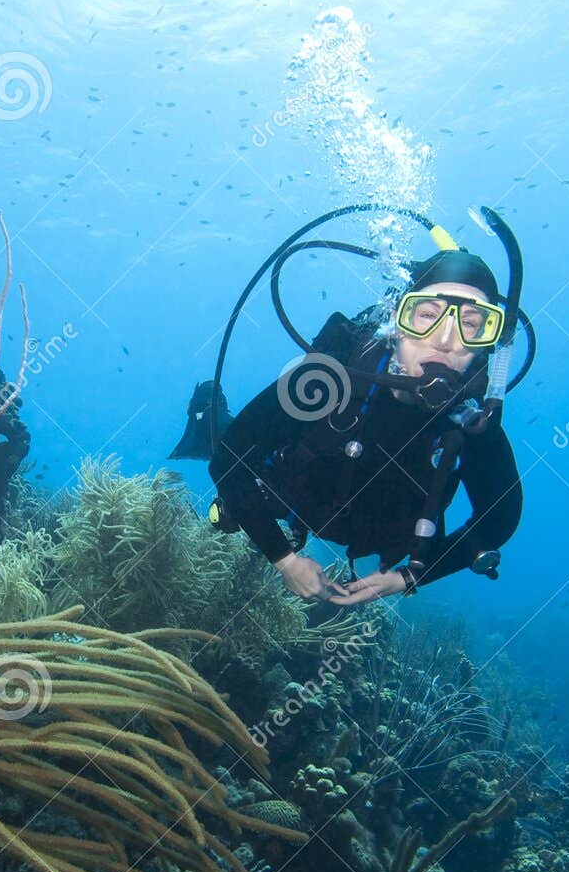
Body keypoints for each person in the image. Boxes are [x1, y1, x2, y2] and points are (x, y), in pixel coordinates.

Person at [207, 248, 522, 605]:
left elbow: (501, 517)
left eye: (471, 324)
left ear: (488, 343)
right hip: (292, 500)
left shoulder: (471, 426)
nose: (446, 340)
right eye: (426, 315)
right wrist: (285, 560)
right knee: (230, 447)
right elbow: (229, 459)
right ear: (396, 322)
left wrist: (410, 577)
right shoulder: (327, 379)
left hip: (380, 535)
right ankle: (208, 411)